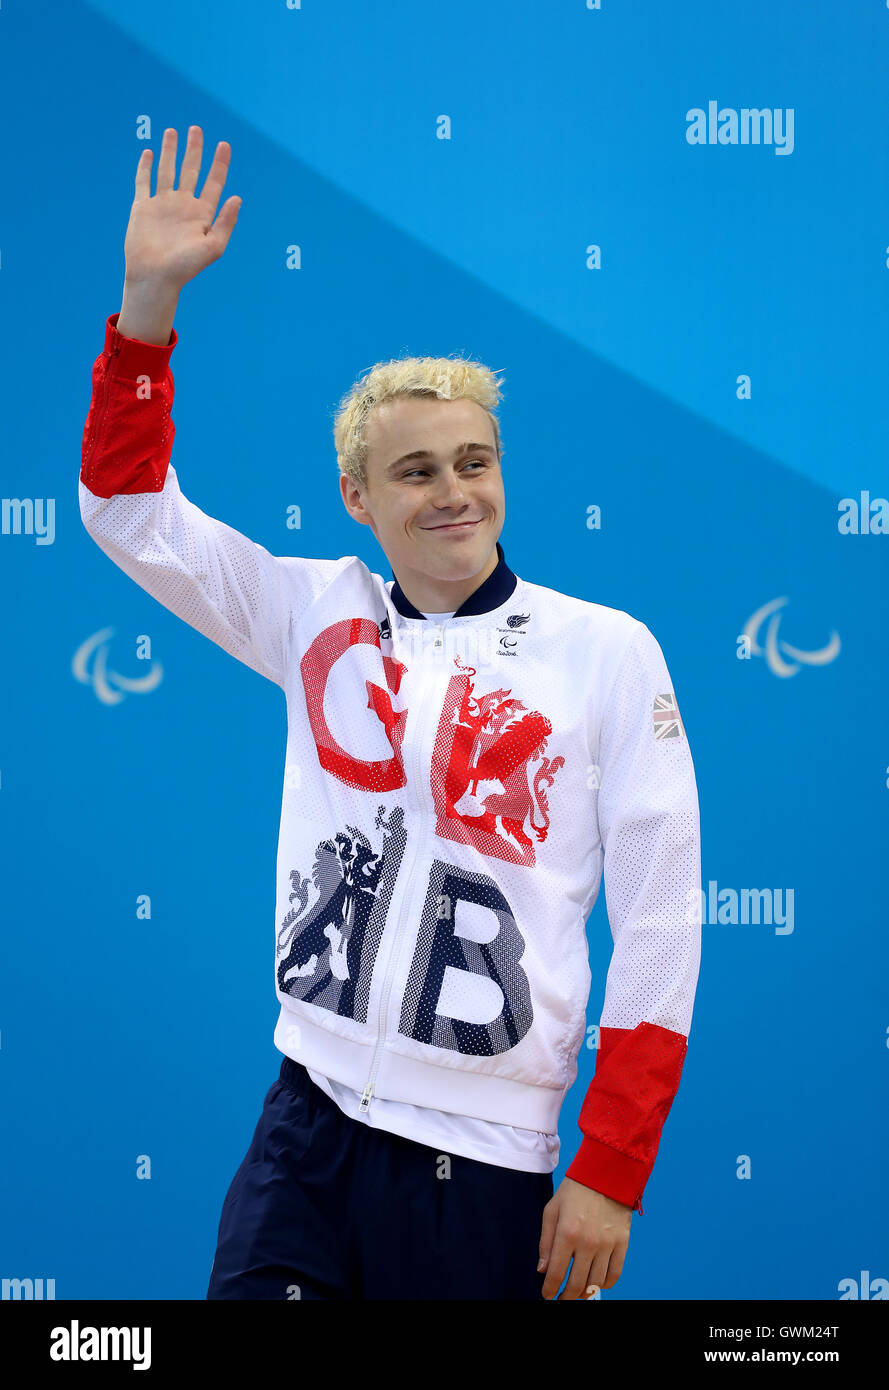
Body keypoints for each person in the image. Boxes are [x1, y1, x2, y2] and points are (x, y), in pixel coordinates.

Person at [80, 126, 702, 1301]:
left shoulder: (605, 651)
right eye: (417, 471)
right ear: (357, 495)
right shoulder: (310, 607)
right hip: (304, 1125)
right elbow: (127, 510)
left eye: (475, 461)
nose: (454, 492)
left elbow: (662, 923)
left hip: (483, 1168)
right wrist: (146, 308)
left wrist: (613, 1166)